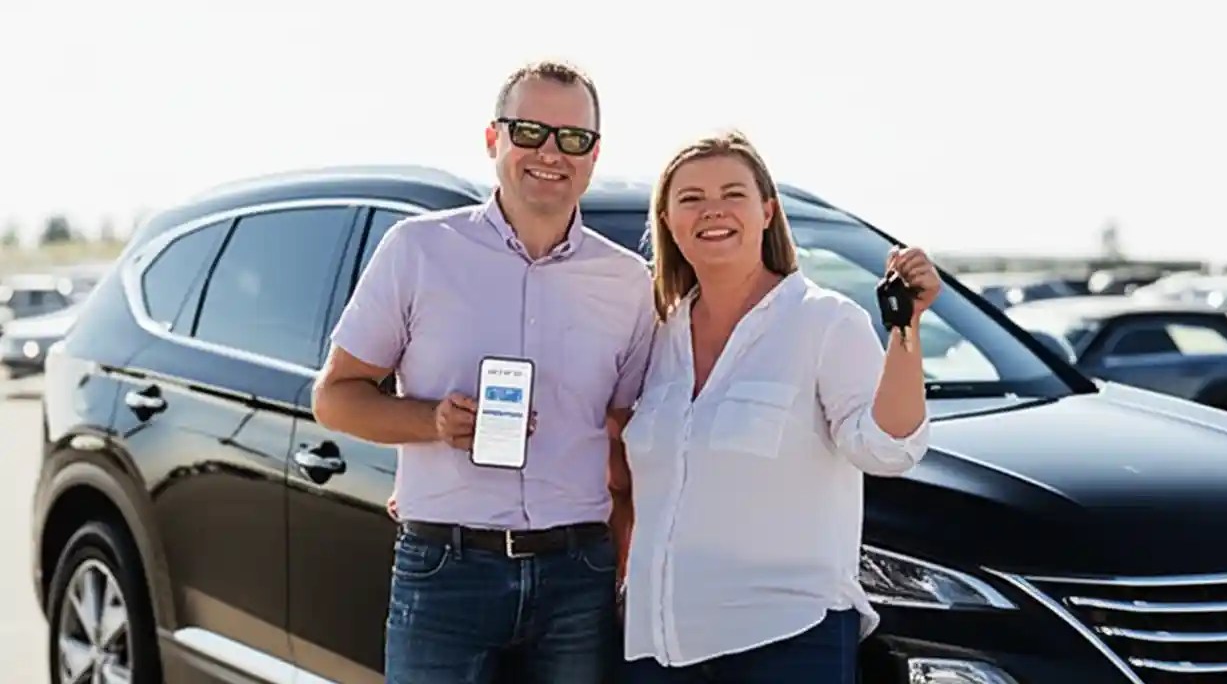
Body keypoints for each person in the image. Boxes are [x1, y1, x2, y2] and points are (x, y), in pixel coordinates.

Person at [312, 59, 655, 684]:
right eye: (530, 131)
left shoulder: (629, 283)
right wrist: (432, 421)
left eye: (572, 138)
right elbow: (334, 398)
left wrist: (624, 562)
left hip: (578, 575)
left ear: (593, 154)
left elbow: (627, 438)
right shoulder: (418, 251)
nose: (551, 152)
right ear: (494, 138)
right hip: (446, 569)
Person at [616, 130, 938, 683]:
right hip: (658, 643)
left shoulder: (824, 321)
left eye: (732, 194)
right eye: (690, 198)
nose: (713, 211)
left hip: (785, 638)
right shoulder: (656, 332)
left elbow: (887, 448)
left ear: (767, 212)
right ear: (668, 221)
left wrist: (905, 331)